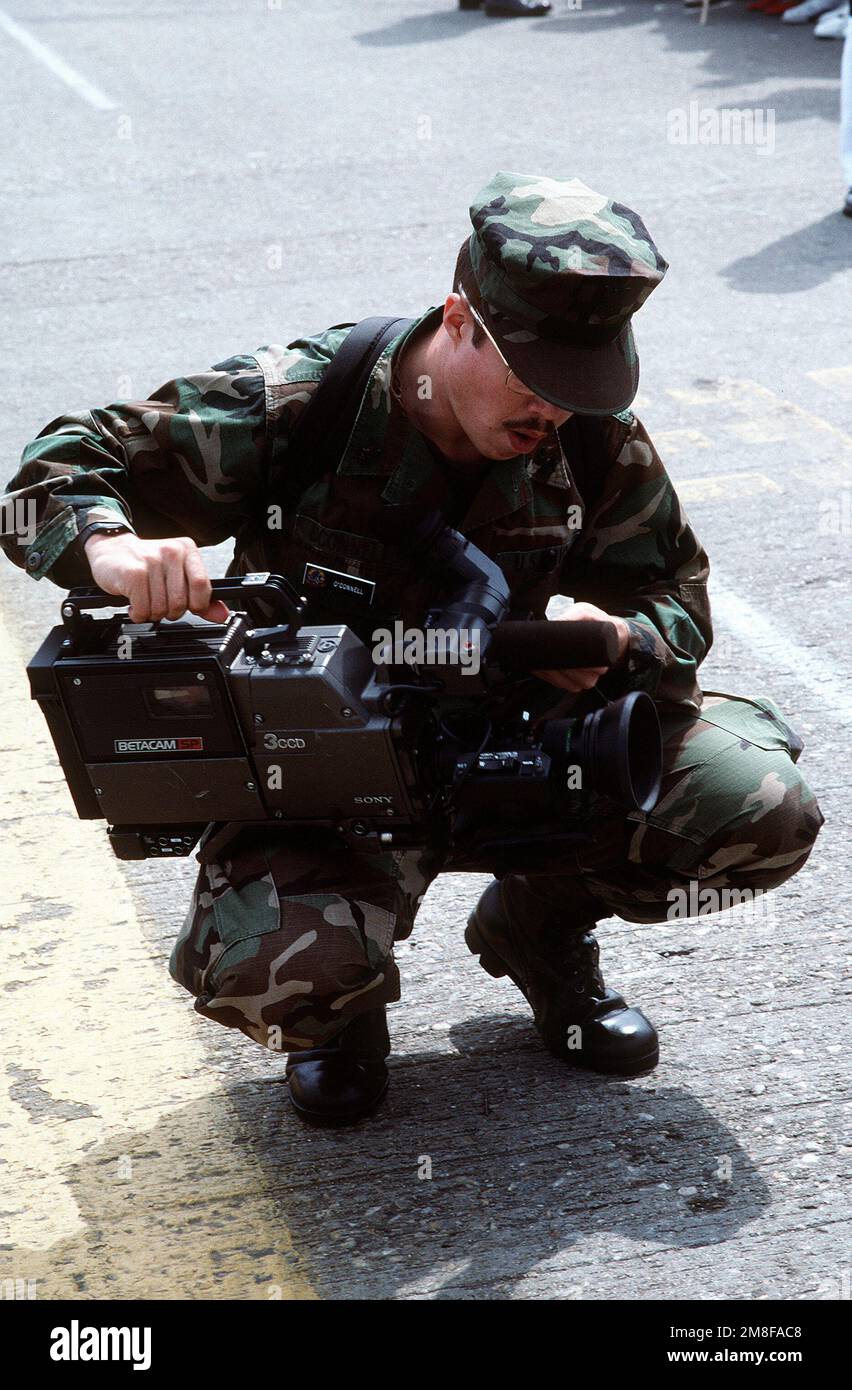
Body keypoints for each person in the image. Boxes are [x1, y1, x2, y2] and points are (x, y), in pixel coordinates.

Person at [1, 173, 824, 1126]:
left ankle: (540, 928)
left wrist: (622, 639)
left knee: (759, 809)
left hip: (522, 754)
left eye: (577, 387)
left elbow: (675, 597)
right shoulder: (303, 402)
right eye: (534, 378)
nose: (553, 412)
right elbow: (40, 482)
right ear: (460, 321)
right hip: (326, 775)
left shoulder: (589, 438)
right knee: (267, 973)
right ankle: (341, 1017)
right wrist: (111, 547)